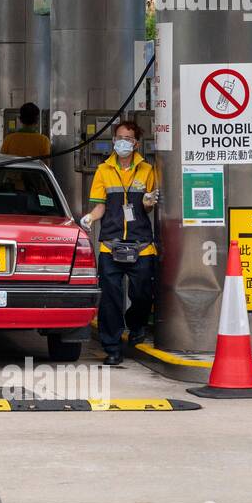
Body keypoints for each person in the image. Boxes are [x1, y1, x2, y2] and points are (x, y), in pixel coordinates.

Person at [79, 120, 159, 365]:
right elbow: (101, 206)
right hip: (110, 244)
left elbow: (148, 206)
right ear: (114, 140)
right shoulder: (104, 170)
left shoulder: (147, 169)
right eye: (119, 137)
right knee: (111, 298)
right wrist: (90, 217)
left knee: (143, 294)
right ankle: (112, 347)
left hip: (141, 243)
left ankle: (136, 325)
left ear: (135, 143)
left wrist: (147, 201)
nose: (122, 142)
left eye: (128, 138)